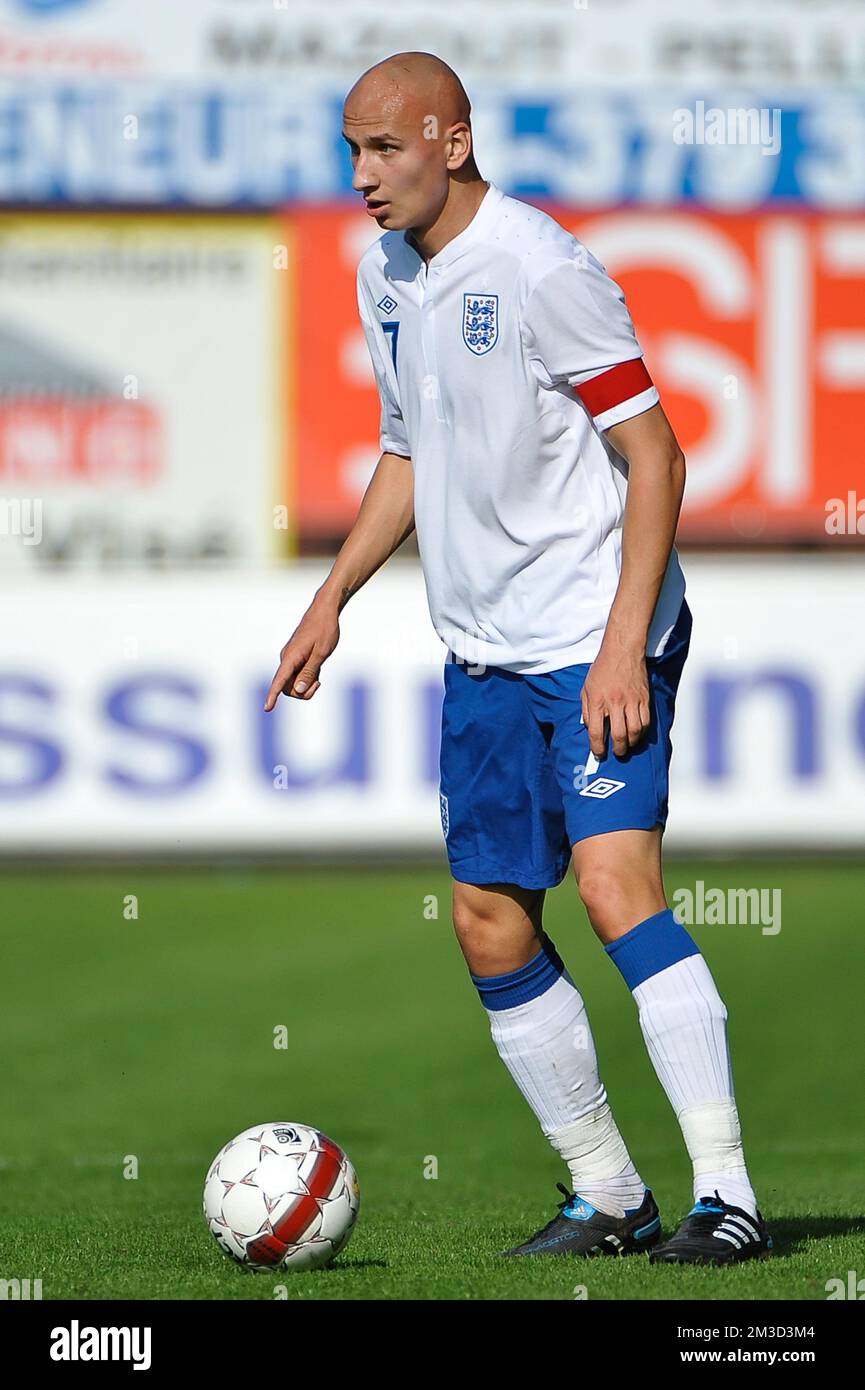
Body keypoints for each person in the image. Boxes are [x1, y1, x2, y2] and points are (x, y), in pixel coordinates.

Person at [264, 51, 772, 1266]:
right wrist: (331, 595)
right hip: (482, 650)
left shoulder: (542, 268)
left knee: (613, 891)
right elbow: (406, 455)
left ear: (451, 140)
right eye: (350, 151)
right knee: (490, 920)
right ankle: (609, 1194)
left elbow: (656, 457)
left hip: (597, 636)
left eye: (384, 149)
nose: (362, 177)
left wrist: (615, 652)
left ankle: (728, 1195)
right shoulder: (385, 272)